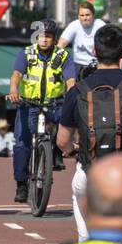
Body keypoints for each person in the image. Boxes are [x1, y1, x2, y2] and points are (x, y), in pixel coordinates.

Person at [57, 24, 122, 242]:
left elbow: (62, 141)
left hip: (90, 174)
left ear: (94, 51)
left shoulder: (77, 92)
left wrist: (72, 149)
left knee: (82, 212)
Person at [7, 19, 76, 203]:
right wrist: (13, 90)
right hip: (28, 103)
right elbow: (16, 74)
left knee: (68, 119)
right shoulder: (26, 53)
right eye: (41, 36)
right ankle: (21, 184)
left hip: (55, 103)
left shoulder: (63, 56)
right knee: (22, 144)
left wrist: (71, 96)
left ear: (54, 39)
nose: (44, 40)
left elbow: (70, 81)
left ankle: (57, 151)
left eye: (48, 36)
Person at [57, 2, 106, 70]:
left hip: (98, 65)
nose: (85, 18)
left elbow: (109, 45)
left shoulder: (100, 25)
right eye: (82, 15)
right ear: (78, 16)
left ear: (93, 15)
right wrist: (57, 58)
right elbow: (61, 43)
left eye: (87, 15)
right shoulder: (74, 25)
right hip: (78, 65)